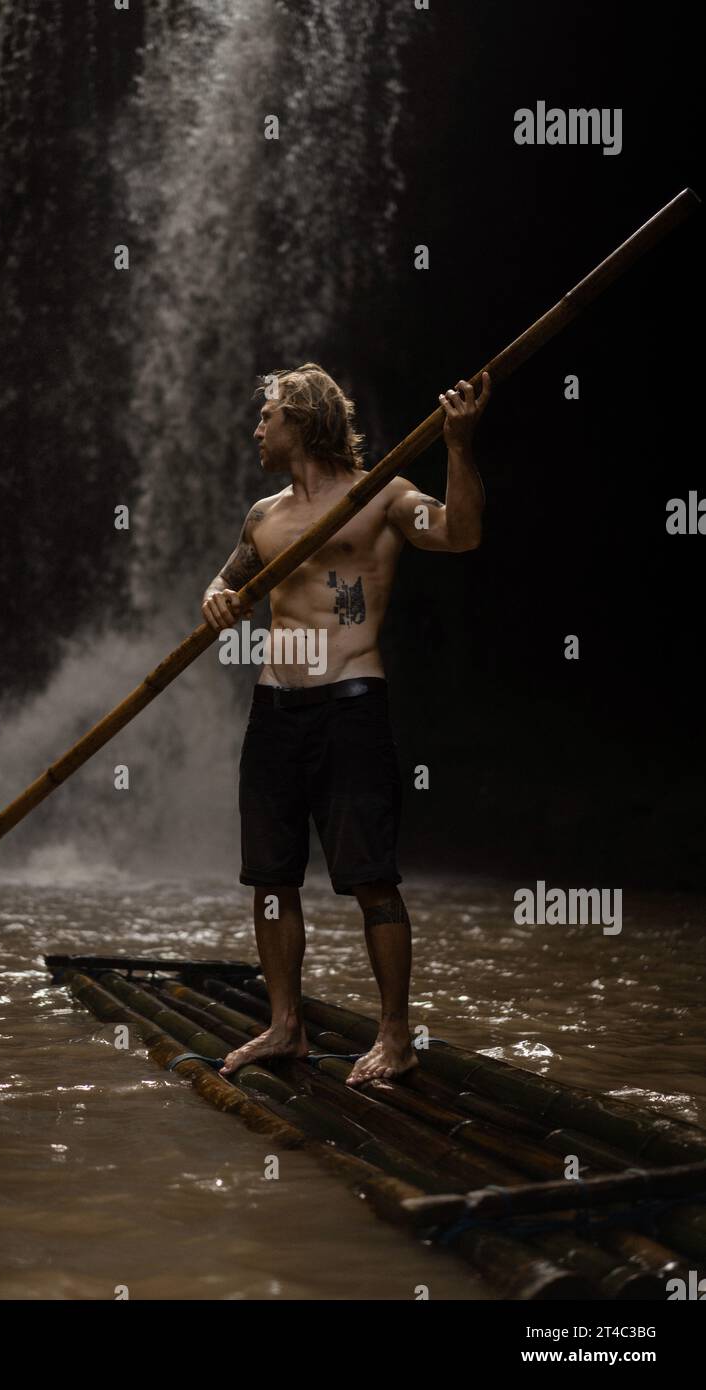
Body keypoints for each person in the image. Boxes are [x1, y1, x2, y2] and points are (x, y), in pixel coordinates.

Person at [201, 363, 489, 1085]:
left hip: (351, 704)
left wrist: (457, 445)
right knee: (270, 880)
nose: (256, 429)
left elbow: (460, 535)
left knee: (371, 881)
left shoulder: (382, 494)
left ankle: (396, 1038)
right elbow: (226, 581)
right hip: (273, 709)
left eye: (266, 417)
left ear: (301, 419)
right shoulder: (262, 517)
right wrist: (216, 599)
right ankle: (285, 1027)